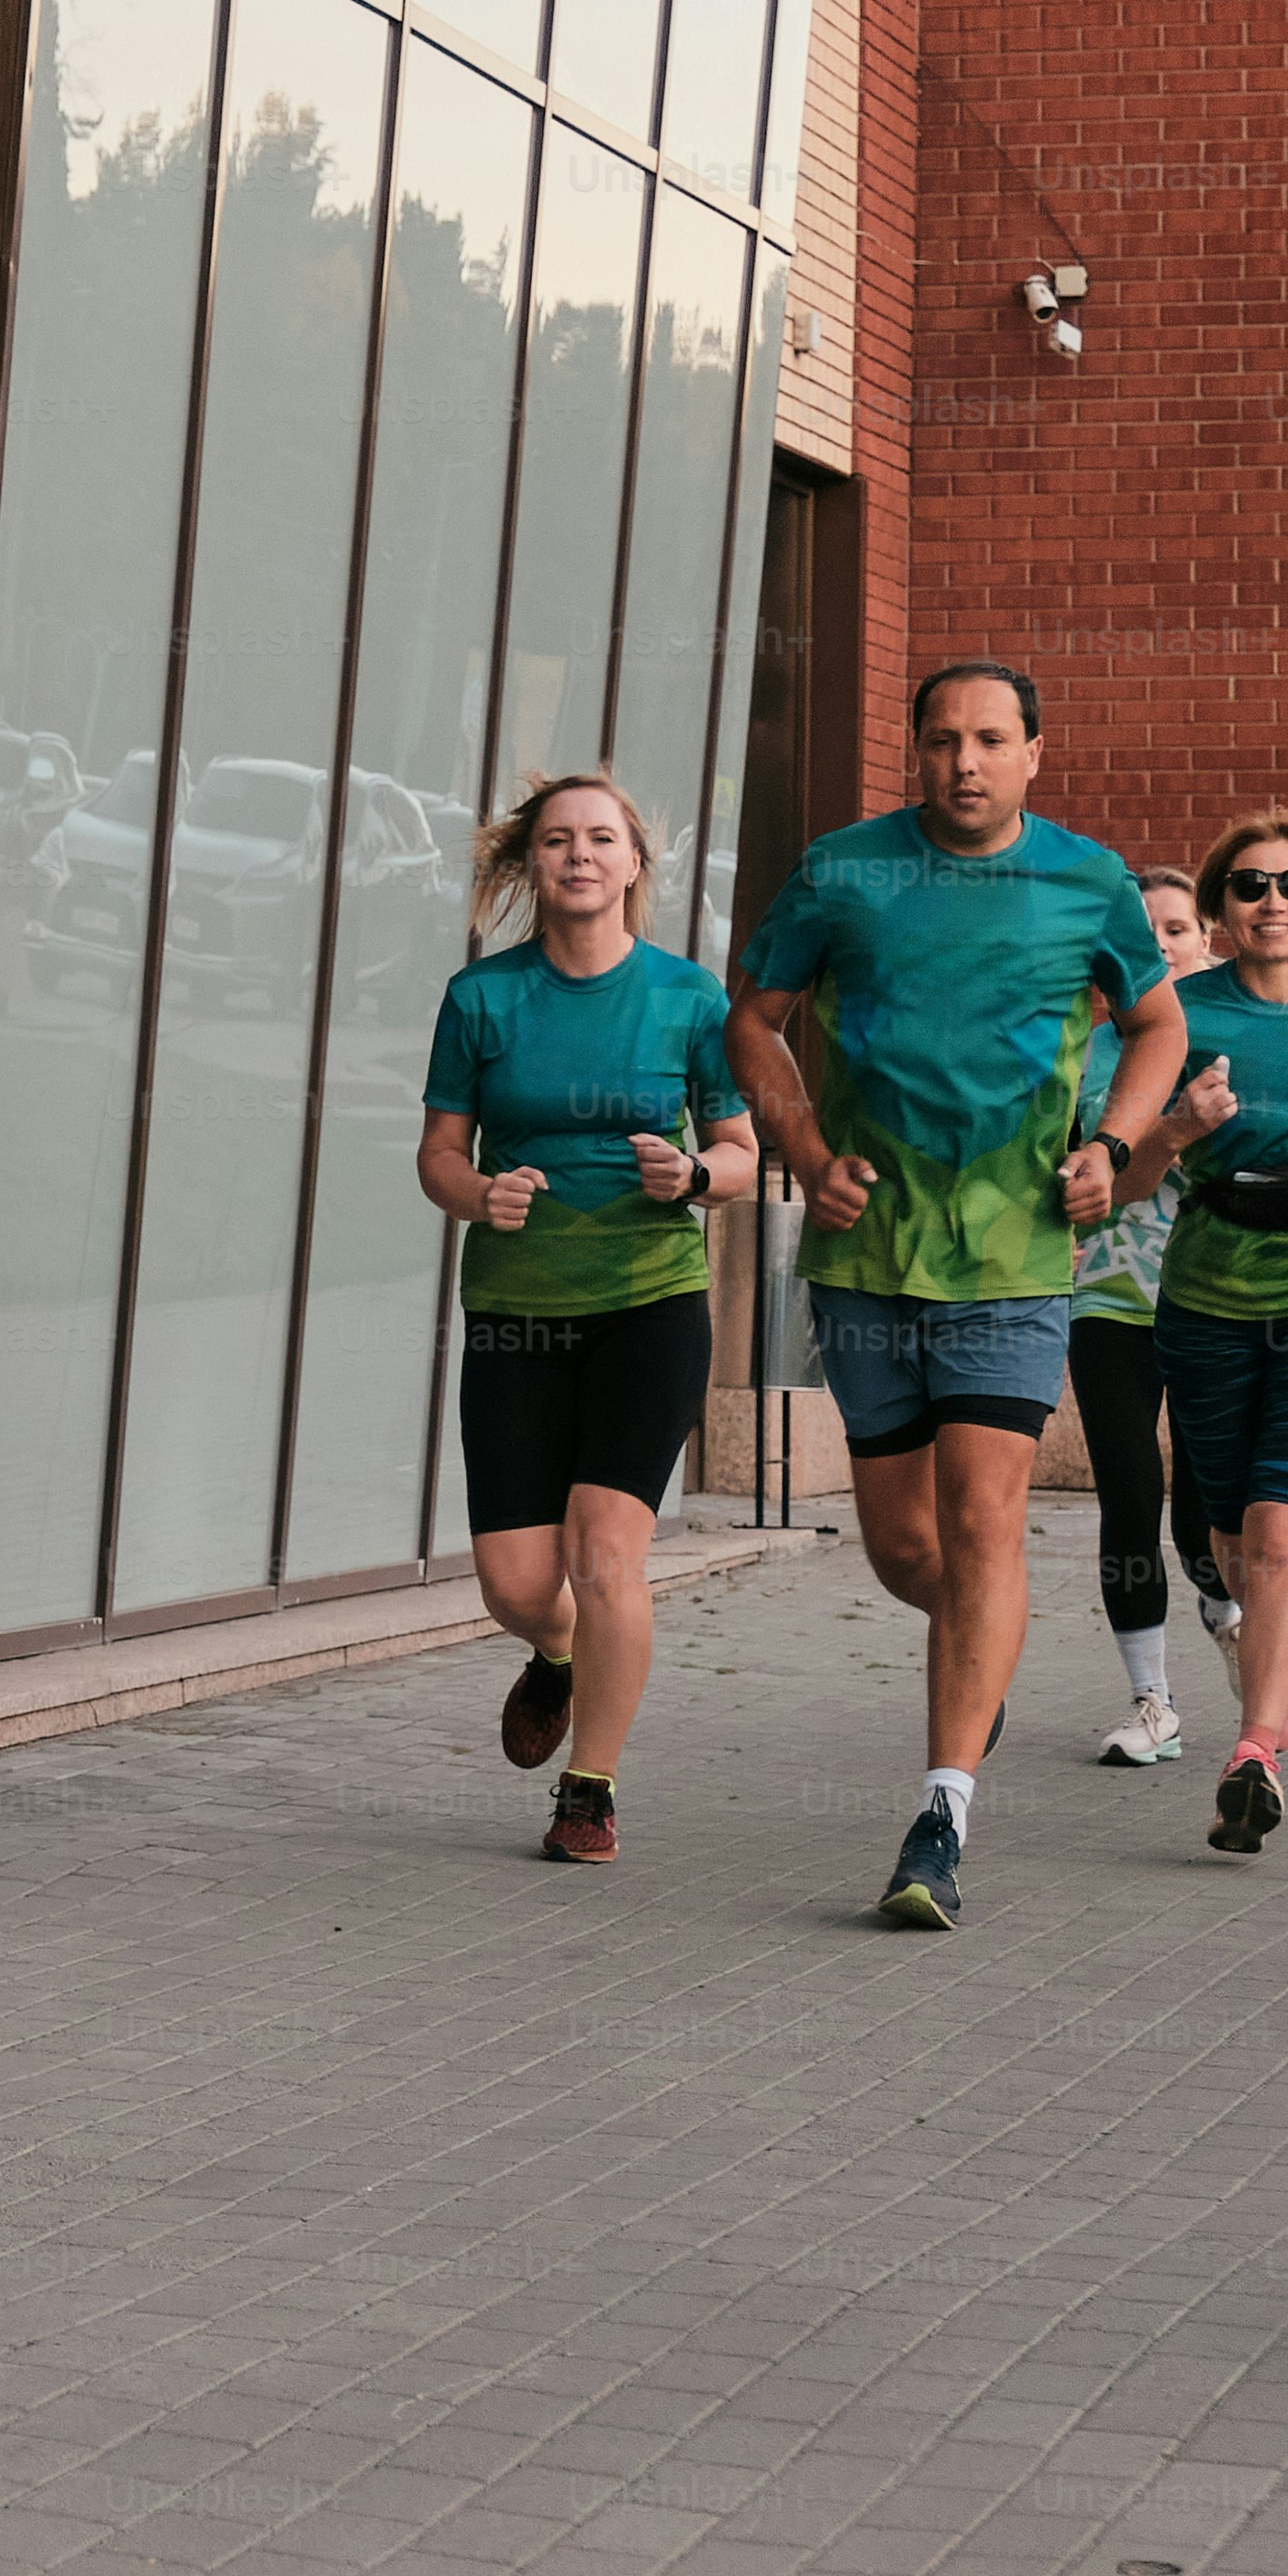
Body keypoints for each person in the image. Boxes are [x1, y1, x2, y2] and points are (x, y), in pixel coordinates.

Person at [729, 664, 1189, 1929]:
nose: (965, 762)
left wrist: (1113, 1140)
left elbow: (1157, 1026)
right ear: (914, 750)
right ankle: (984, 1641)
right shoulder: (843, 870)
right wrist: (808, 1157)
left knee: (986, 1519)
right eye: (942, 740)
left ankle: (942, 1813)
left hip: (1020, 1249)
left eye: (991, 739)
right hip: (871, 1248)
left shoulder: (1087, 879)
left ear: (1036, 751)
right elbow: (753, 1022)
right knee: (907, 1546)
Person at [422, 772, 758, 1865]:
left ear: (633, 866)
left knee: (608, 1551)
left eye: (601, 838)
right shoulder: (482, 1000)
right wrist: (480, 1194)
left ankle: (590, 1788)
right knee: (521, 1583)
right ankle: (558, 1652)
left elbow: (745, 1156)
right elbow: (438, 1154)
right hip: (517, 1311)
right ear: (528, 866)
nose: (579, 855)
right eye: (557, 840)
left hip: (649, 1304)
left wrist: (694, 1176)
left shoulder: (688, 999)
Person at [1096, 809, 1288, 1862]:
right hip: (1209, 1285)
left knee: (1285, 1529)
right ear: (1223, 907)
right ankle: (1267, 1657)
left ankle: (1254, 1753)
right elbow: (1124, 1181)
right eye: (1251, 886)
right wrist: (1180, 1127)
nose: (1274, 902)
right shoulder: (1176, 1014)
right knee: (1227, 1538)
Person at [1076, 865, 1242, 1767]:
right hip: (1107, 1298)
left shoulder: (1232, 1039)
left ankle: (1226, 1609)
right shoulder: (1087, 1052)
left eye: (1175, 929)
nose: (1159, 945)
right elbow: (1101, 1190)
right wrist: (1171, 1131)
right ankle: (1153, 1703)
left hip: (1217, 1296)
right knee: (1130, 1496)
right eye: (1140, 932)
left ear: (1206, 942)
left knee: (1205, 1512)